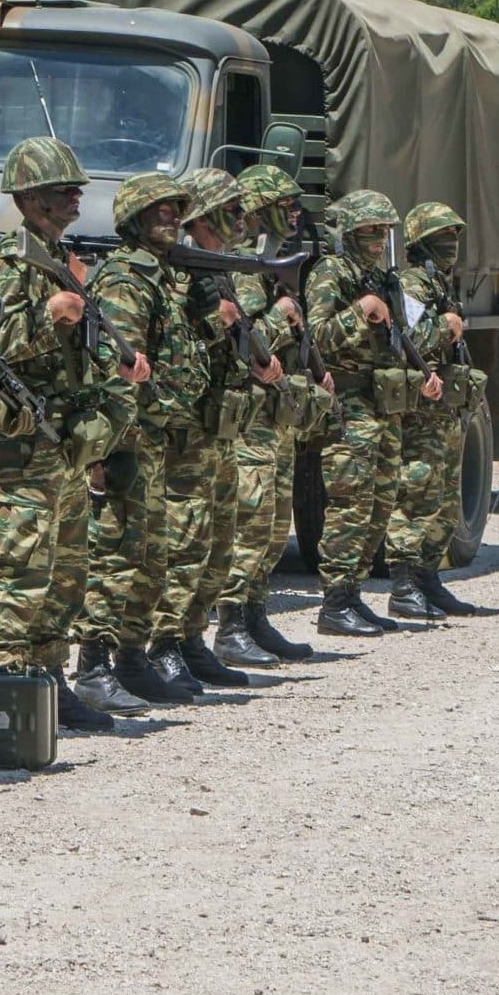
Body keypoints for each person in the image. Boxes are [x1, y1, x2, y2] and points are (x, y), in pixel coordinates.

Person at [0, 136, 143, 726]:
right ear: (29, 197)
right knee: (18, 568)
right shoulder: (14, 262)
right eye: (62, 189)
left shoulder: (55, 256)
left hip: (64, 443)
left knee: (64, 574)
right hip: (27, 442)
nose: (75, 196)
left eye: (75, 188)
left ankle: (46, 681)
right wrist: (50, 315)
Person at [75, 173, 210, 712]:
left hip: (153, 437)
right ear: (134, 219)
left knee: (151, 555)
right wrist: (109, 447)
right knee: (117, 551)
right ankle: (93, 664)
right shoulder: (127, 280)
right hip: (128, 437)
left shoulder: (161, 277)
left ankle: (132, 657)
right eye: (160, 210)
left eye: (176, 208)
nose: (172, 216)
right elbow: (118, 366)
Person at [153, 169, 285, 693]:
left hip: (221, 428)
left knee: (217, 545)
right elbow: (170, 345)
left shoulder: (219, 270)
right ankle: (163, 644)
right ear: (204, 218)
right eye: (231, 212)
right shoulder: (180, 273)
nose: (242, 221)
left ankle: (192, 639)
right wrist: (219, 322)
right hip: (186, 430)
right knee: (183, 541)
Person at [306, 189, 443, 636]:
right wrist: (359, 312)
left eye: (383, 230)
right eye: (369, 229)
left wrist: (423, 374)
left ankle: (354, 593)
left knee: (380, 505)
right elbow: (315, 338)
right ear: (349, 231)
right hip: (349, 406)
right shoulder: (332, 272)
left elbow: (406, 334)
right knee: (351, 504)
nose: (378, 238)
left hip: (385, 406)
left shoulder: (385, 279)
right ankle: (334, 602)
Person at [213, 165, 329, 666]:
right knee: (251, 522)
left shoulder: (269, 265)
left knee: (275, 525)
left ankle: (256, 616)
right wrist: (280, 319)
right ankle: (231, 626)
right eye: (286, 204)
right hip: (249, 419)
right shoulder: (242, 270)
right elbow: (235, 338)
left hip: (276, 418)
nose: (296, 213)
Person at [384, 202, 485, 620]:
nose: (451, 244)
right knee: (416, 492)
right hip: (422, 409)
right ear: (421, 243)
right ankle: (403, 585)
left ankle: (427, 578)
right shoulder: (412, 284)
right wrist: (447, 326)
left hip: (444, 409)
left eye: (454, 236)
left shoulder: (439, 283)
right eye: (442, 237)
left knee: (445, 499)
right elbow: (405, 336)